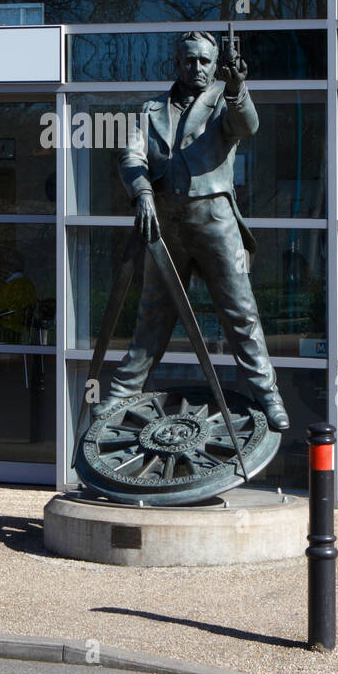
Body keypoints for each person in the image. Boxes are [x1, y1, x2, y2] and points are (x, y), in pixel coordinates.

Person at [97, 29, 289, 431]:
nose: (197, 67)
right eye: (190, 60)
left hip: (214, 220)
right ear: (177, 62)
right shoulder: (150, 110)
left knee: (240, 314)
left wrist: (237, 86)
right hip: (165, 224)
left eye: (205, 61)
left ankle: (268, 395)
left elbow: (247, 125)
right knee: (152, 315)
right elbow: (130, 156)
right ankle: (120, 393)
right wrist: (143, 192)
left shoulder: (224, 101)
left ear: (214, 62)